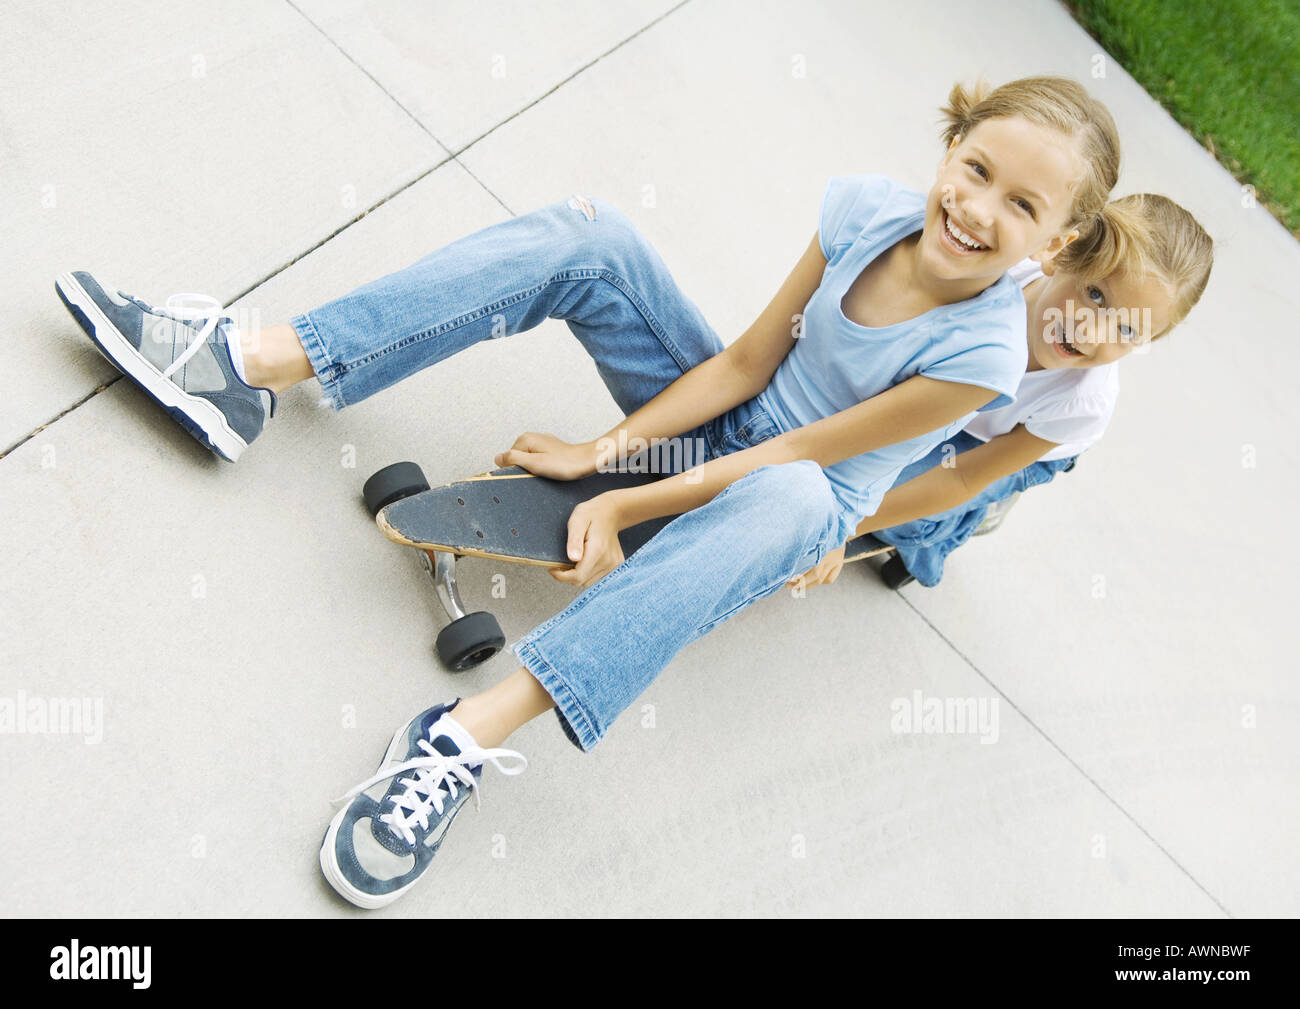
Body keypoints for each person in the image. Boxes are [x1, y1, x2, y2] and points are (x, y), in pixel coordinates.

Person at [54, 75, 1121, 909]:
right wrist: (608, 450)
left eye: (1020, 204)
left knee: (800, 505)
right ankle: (249, 367)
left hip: (774, 504)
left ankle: (463, 736)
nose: (976, 208)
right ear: (950, 143)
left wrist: (627, 498)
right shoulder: (864, 212)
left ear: (1055, 245)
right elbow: (744, 366)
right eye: (975, 168)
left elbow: (794, 458)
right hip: (719, 431)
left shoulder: (979, 358)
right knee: (593, 234)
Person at [789, 193, 1213, 591]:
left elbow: (964, 476)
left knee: (900, 515)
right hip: (949, 391)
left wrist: (846, 524)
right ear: (1063, 253)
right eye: (1095, 294)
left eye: (1127, 329)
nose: (1092, 330)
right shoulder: (997, 274)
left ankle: (957, 527)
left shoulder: (1082, 404)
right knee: (847, 452)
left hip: (1001, 437)